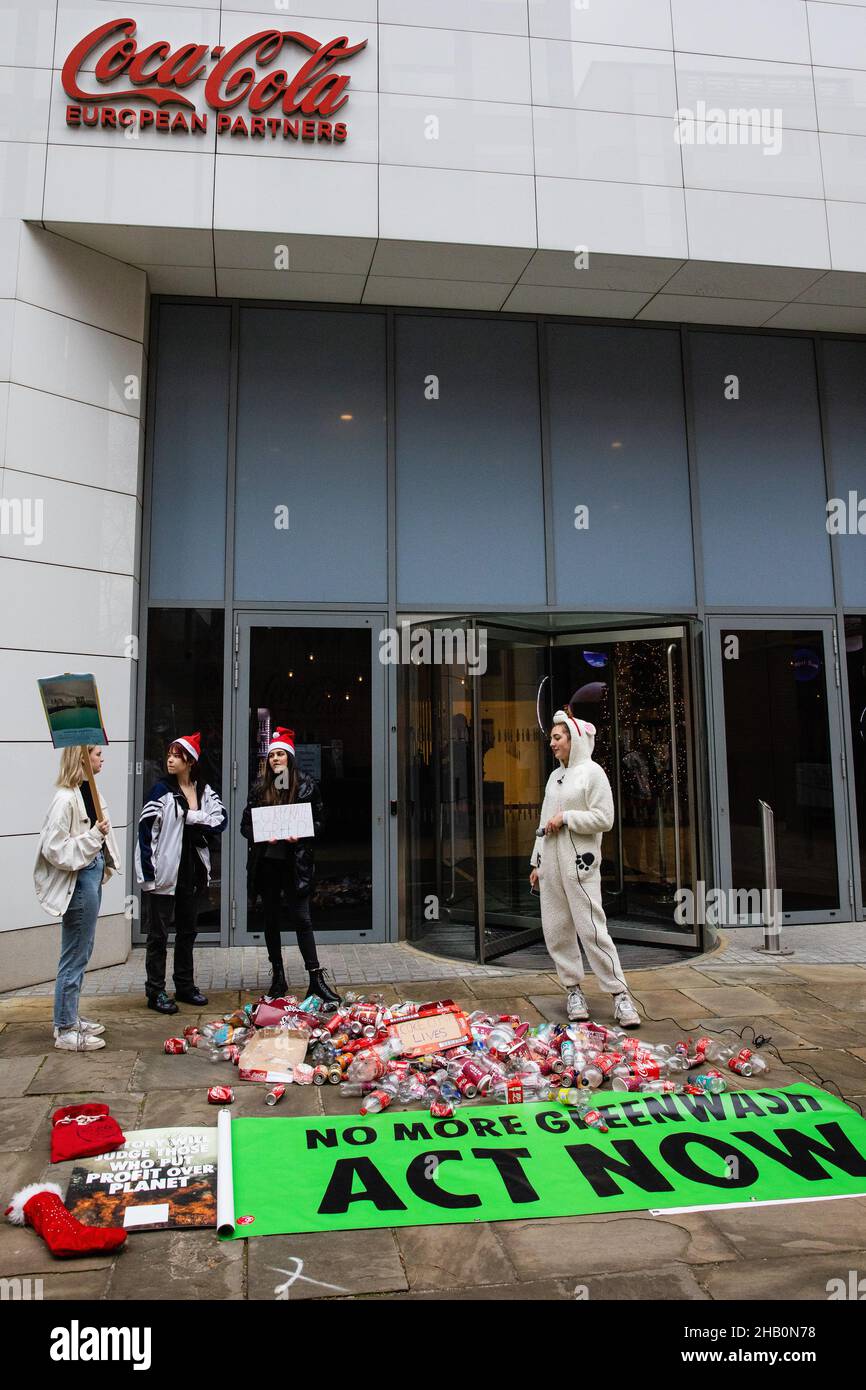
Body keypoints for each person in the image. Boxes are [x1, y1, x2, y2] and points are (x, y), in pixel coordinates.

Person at [529, 709, 641, 1028]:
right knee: (557, 931)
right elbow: (542, 823)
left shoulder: (593, 774)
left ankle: (620, 995)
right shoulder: (554, 777)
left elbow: (604, 818)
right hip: (551, 867)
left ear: (573, 740)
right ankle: (573, 990)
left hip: (581, 866)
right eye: (551, 738)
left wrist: (568, 819)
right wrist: (536, 863)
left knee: (592, 930)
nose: (552, 743)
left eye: (557, 738)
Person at [241, 726, 341, 1008]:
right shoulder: (260, 789)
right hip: (268, 863)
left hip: (295, 864)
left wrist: (305, 831)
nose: (275, 759)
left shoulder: (307, 786)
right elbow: (244, 825)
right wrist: (260, 834)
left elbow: (321, 822)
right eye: (272, 755)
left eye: (280, 754)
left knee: (302, 919)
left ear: (290, 758)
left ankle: (315, 977)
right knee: (271, 919)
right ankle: (279, 977)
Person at [34, 745, 122, 1051]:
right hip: (80, 877)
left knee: (81, 952)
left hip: (90, 873)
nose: (101, 758)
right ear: (82, 757)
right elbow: (54, 847)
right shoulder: (65, 798)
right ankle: (65, 1027)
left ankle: (69, 1016)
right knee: (74, 954)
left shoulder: (88, 792)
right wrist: (94, 837)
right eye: (96, 753)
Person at [135, 733, 227, 1014]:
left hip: (193, 870)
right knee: (158, 935)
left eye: (177, 755)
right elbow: (146, 831)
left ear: (190, 761)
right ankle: (156, 991)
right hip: (164, 872)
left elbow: (220, 819)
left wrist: (190, 818)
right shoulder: (161, 791)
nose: (170, 759)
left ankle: (185, 986)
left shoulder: (203, 790)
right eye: (169, 755)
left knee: (188, 932)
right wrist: (147, 874)